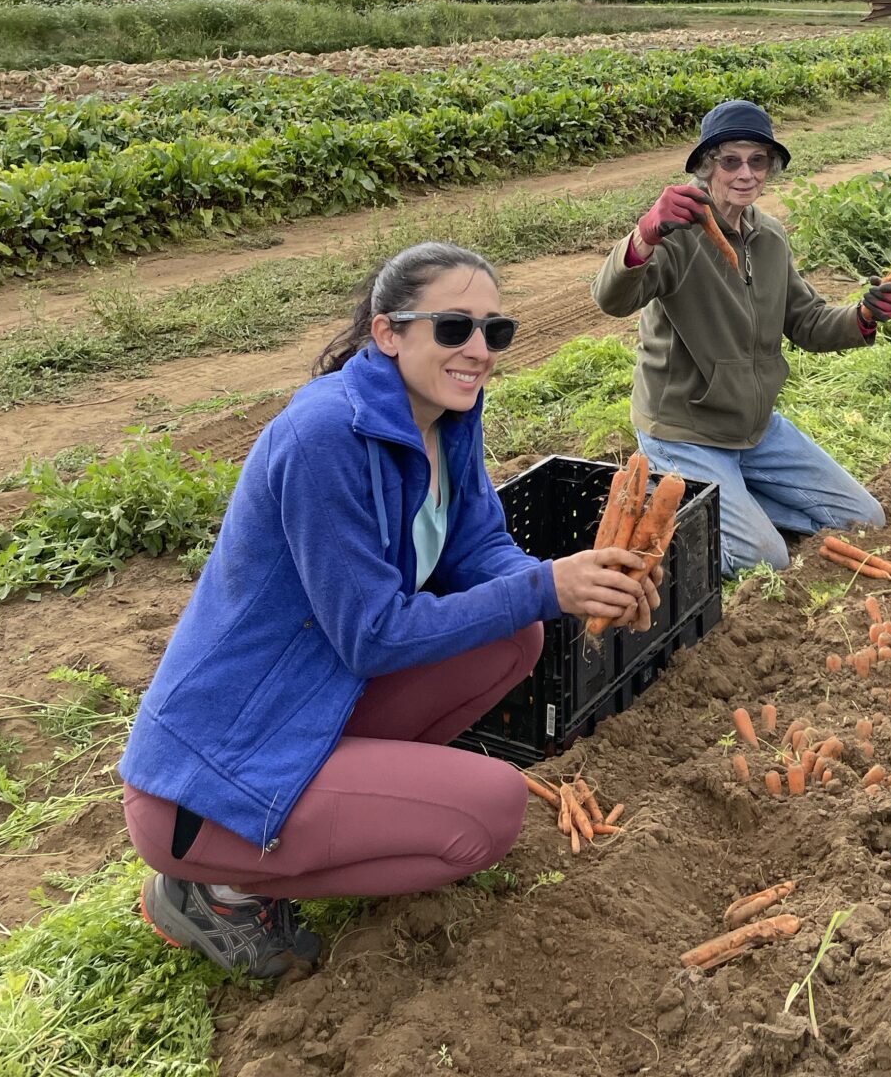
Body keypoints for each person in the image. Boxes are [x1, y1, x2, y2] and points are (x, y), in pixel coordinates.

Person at [120, 242, 659, 979]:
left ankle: (334, 811)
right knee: (490, 813)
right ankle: (219, 885)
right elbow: (371, 636)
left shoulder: (445, 414)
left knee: (513, 639)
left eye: (495, 331)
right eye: (454, 327)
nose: (479, 350)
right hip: (211, 777)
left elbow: (480, 547)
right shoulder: (324, 437)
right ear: (388, 333)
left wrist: (582, 586)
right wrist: (546, 586)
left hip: (310, 704)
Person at [592, 99, 891, 574]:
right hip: (685, 431)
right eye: (730, 161)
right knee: (765, 558)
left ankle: (729, 498)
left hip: (754, 430)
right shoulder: (677, 236)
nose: (745, 173)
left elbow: (806, 320)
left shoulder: (769, 236)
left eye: (758, 161)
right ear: (706, 166)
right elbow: (611, 299)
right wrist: (644, 237)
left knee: (864, 518)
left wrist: (864, 315)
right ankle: (668, 491)